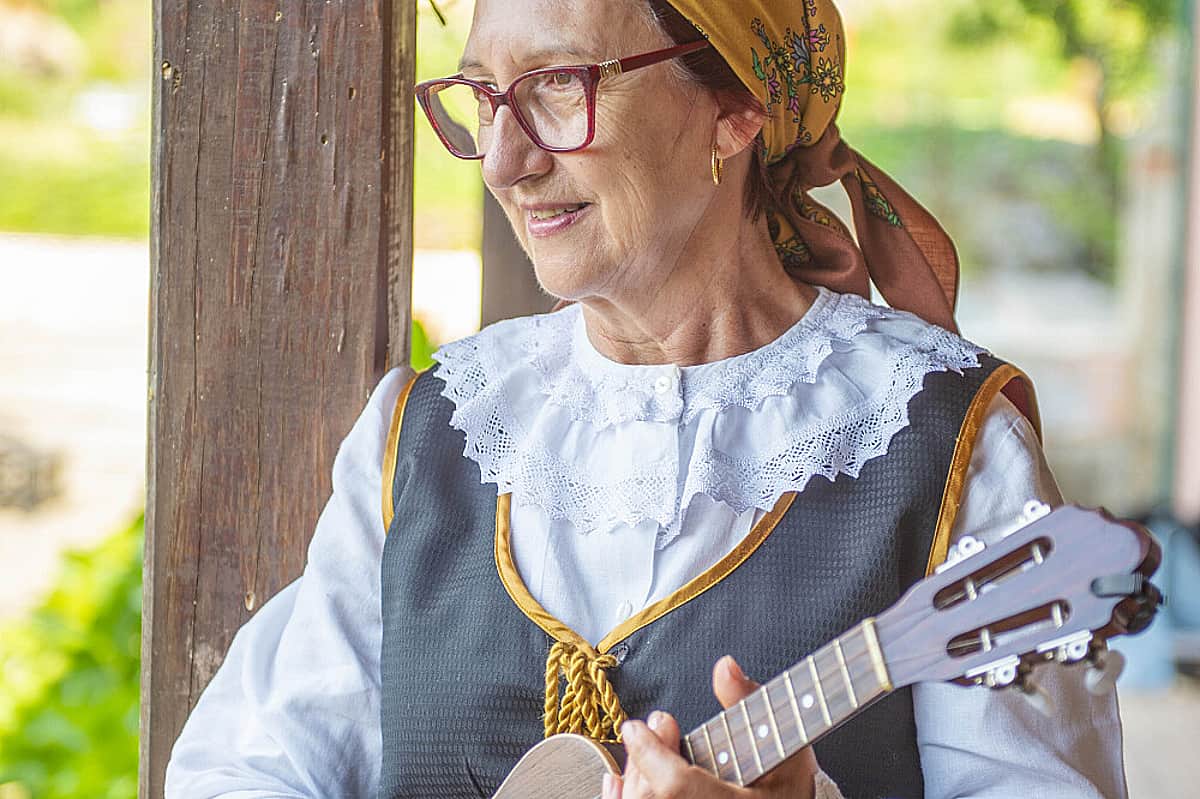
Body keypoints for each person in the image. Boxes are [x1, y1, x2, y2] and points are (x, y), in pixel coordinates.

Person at [166, 0, 1129, 797]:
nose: (505, 159)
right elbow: (248, 768)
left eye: (557, 85)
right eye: (481, 97)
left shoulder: (944, 440)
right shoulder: (429, 430)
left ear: (735, 108)